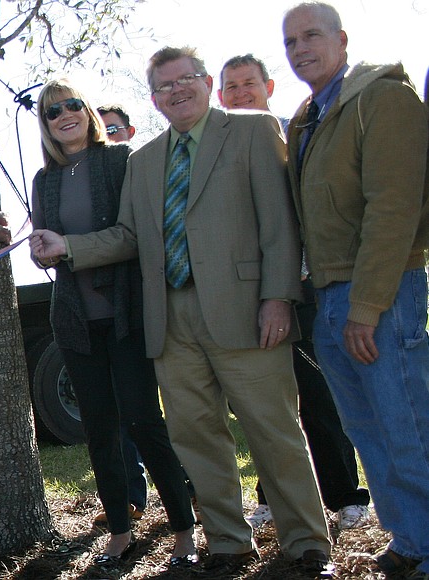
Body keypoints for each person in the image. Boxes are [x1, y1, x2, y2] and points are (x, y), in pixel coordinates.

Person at [30, 47, 334, 577]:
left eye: (186, 79)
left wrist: (279, 297)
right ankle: (228, 542)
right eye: (165, 86)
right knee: (196, 435)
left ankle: (307, 541)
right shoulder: (144, 160)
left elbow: (280, 224)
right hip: (169, 319)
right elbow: (127, 236)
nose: (177, 91)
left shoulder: (253, 131)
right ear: (154, 98)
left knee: (273, 430)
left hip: (247, 311)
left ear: (206, 81)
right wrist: (69, 248)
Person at [283, 3, 429, 578]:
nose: (299, 49)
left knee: (409, 429)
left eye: (311, 36)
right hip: (329, 296)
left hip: (381, 295)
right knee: (369, 433)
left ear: (342, 40)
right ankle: (411, 541)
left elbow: (393, 210)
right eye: (290, 41)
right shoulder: (310, 116)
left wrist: (367, 307)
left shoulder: (383, 98)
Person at [31, 79, 197, 569]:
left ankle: (184, 530)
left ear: (87, 111)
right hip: (76, 323)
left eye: (72, 104)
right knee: (99, 431)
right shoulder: (45, 180)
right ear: (47, 125)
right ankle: (120, 532)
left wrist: (69, 248)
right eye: (52, 110)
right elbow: (49, 251)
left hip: (126, 315)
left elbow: (135, 236)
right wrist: (44, 251)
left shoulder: (120, 162)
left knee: (145, 422)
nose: (65, 114)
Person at [218, 53, 371, 531]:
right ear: (220, 96)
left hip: (305, 287)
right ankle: (270, 495)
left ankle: (346, 494)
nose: (241, 93)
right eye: (232, 87)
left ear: (269, 86)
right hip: (248, 292)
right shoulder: (219, 149)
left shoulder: (295, 135)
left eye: (249, 84)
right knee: (266, 404)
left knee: (318, 396)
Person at [89, 103, 147, 527]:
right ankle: (132, 496)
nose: (109, 137)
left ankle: (191, 493)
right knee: (122, 416)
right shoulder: (92, 182)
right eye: (102, 130)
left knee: (162, 412)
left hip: (154, 306)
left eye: (115, 129)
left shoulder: (144, 170)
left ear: (129, 131)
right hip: (111, 312)